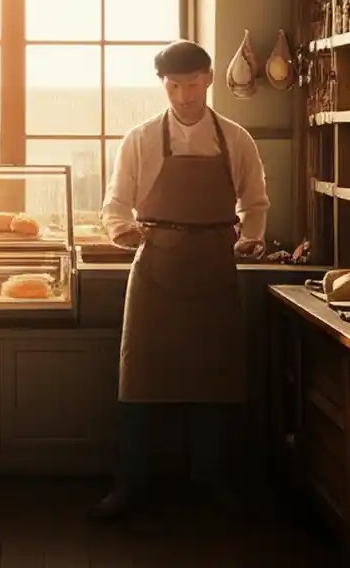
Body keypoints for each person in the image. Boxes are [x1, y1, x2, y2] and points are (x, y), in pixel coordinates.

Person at [91, 39, 269, 520]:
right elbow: (114, 204)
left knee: (214, 381)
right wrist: (121, 230)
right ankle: (129, 485)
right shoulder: (141, 139)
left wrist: (249, 237)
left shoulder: (235, 139)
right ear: (163, 85)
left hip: (215, 266)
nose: (185, 96)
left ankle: (211, 482)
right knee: (140, 383)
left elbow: (254, 204)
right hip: (156, 269)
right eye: (174, 87)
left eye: (192, 85)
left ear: (209, 79)